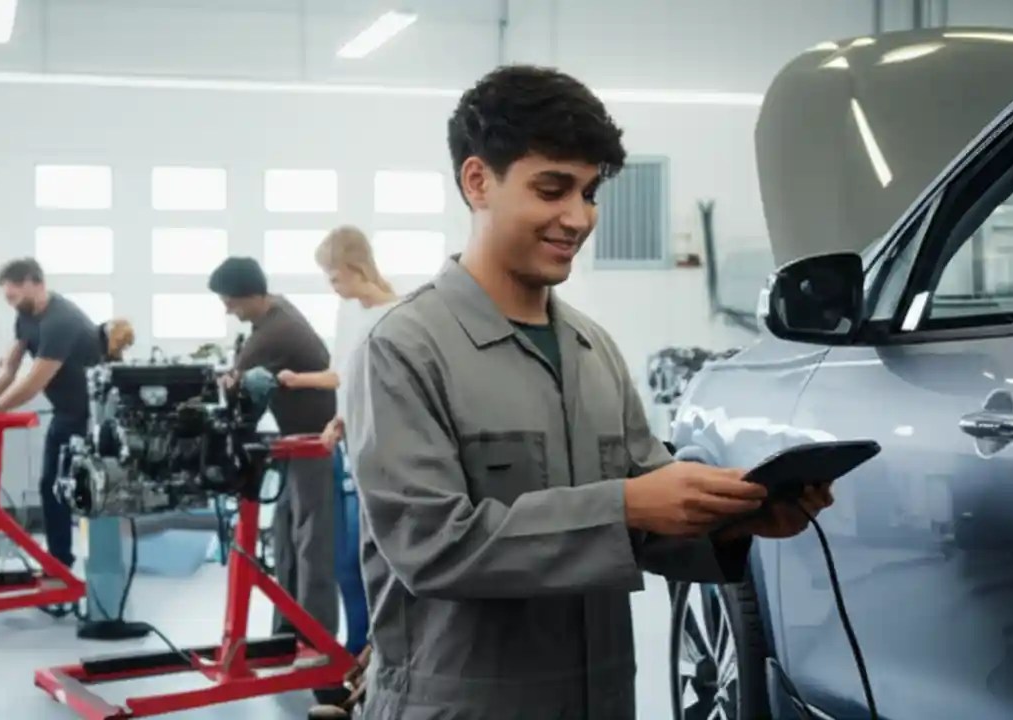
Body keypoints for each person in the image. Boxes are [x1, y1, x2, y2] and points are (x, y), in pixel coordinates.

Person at [342, 65, 836, 719]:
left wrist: (732, 521)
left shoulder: (593, 349)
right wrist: (627, 504)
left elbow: (646, 518)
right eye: (552, 189)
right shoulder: (403, 349)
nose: (577, 217)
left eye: (590, 192)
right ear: (477, 181)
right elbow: (432, 546)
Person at [208, 256, 343, 703]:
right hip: (292, 442)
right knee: (285, 536)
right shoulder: (274, 314)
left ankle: (319, 642)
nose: (228, 310)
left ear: (250, 294)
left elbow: (233, 381)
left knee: (311, 541)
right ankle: (288, 632)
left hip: (313, 444)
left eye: (230, 301)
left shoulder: (275, 330)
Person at [278, 226, 397, 691]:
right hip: (351, 452)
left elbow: (380, 386)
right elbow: (343, 377)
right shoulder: (350, 312)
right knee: (347, 559)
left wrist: (346, 412)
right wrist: (333, 415)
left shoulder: (396, 314)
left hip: (384, 456)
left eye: (333, 277)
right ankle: (355, 647)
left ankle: (378, 652)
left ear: (355, 267)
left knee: (378, 561)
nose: (333, 287)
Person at [0, 258, 103, 572]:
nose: (11, 304)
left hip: (92, 416)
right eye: (6, 298)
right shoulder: (25, 317)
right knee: (51, 485)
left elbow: (35, 380)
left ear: (36, 283)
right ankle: (59, 561)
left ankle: (78, 560)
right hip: (67, 412)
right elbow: (9, 370)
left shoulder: (61, 319)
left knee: (82, 488)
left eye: (14, 296)